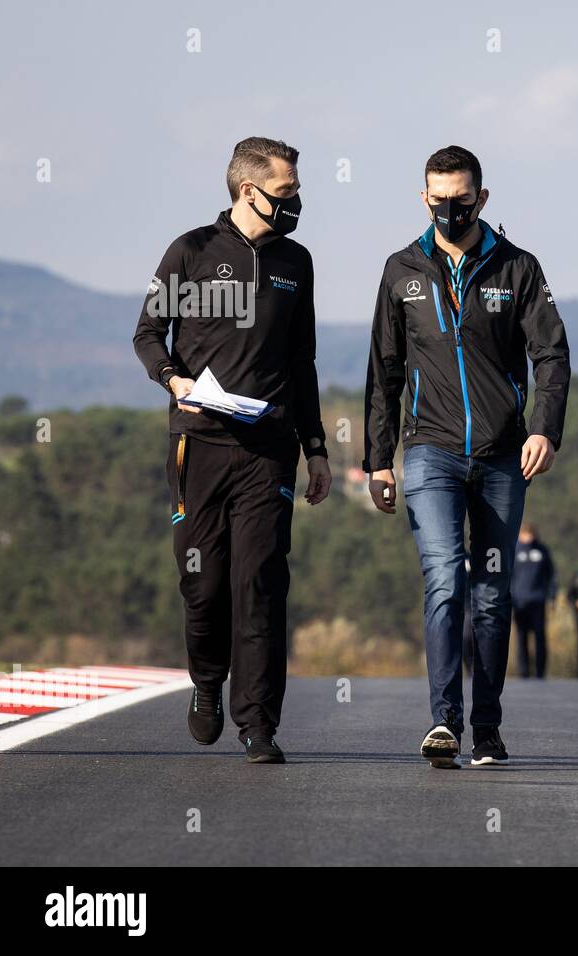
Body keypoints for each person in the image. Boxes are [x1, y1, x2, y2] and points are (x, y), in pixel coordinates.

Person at [363, 145, 570, 768]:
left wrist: (545, 430)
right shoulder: (401, 271)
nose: (447, 210)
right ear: (422, 197)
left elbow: (552, 356)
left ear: (481, 198)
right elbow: (385, 370)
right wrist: (377, 459)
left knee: (491, 594)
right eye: (436, 199)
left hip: (505, 455)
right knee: (445, 579)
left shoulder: (519, 268)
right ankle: (444, 721)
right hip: (430, 452)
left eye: (458, 200)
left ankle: (488, 725)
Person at [133, 136, 331, 764]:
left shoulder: (296, 262)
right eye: (287, 191)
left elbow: (303, 362)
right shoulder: (190, 252)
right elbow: (146, 332)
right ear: (251, 190)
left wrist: (316, 448)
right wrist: (173, 379)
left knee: (261, 582)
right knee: (204, 583)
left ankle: (258, 724)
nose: (296, 200)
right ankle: (206, 680)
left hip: (268, 450)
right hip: (199, 444)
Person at [510, 523, 557, 678]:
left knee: (540, 637)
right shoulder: (514, 550)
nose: (529, 538)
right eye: (526, 535)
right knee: (521, 637)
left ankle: (540, 672)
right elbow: (509, 576)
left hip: (538, 600)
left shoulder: (542, 550)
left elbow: (550, 575)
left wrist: (552, 596)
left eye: (531, 535)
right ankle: (524, 672)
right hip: (520, 601)